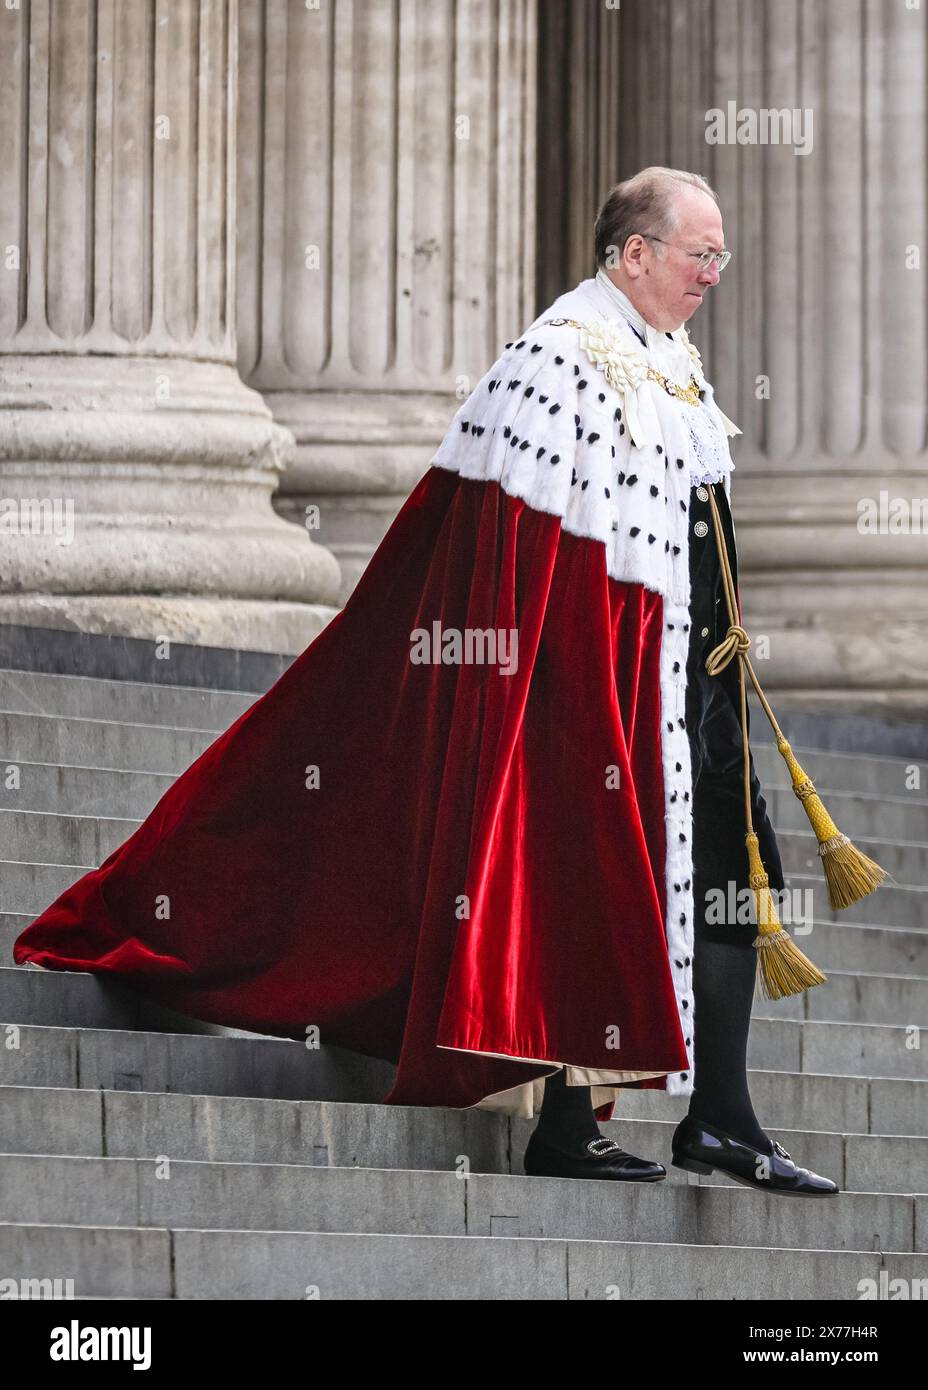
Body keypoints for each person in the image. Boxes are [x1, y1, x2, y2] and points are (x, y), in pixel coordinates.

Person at [14, 166, 838, 1197]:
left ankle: (721, 1116)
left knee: (732, 864)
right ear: (632, 253)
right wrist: (553, 688)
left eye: (719, 253)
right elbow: (513, 545)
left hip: (691, 683)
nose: (714, 271)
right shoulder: (554, 358)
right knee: (576, 869)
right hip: (590, 678)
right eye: (698, 251)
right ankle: (566, 1121)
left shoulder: (672, 363)